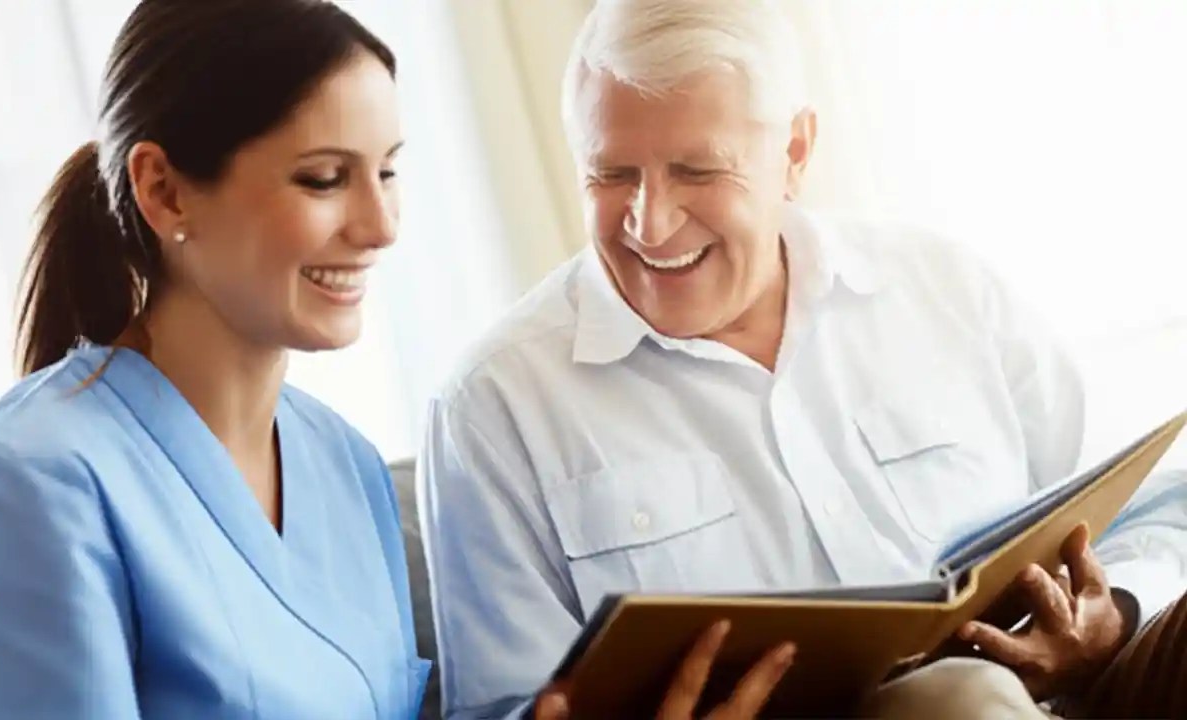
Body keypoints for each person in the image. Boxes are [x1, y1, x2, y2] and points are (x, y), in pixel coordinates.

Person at [417, 0, 1187, 717]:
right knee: (960, 697)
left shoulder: (942, 287)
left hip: (1086, 691)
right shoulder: (493, 409)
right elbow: (503, 706)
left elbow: (1158, 506)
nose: (650, 223)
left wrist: (1111, 614)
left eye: (697, 170)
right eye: (611, 175)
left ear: (793, 150)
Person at [0, 1, 426, 717]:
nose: (380, 227)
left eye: (386, 172)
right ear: (163, 190)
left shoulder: (347, 464)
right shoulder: (38, 473)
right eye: (323, 179)